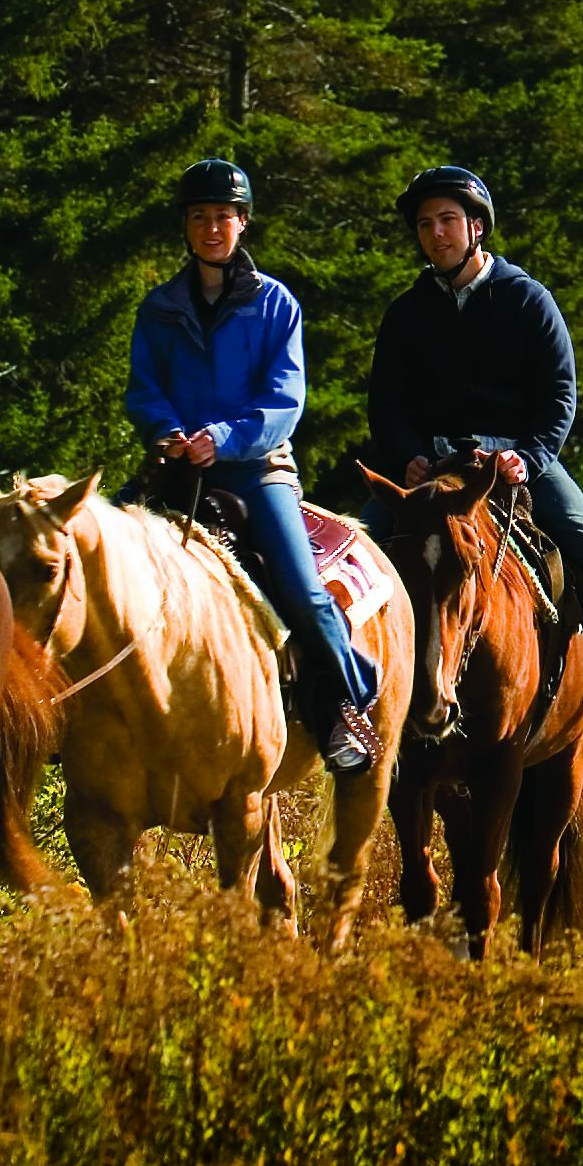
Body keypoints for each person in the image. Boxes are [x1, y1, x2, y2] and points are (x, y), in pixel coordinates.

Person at [364, 165, 583, 762]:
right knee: (362, 545)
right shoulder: (405, 314)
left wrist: (526, 457)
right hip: (433, 464)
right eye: (426, 224)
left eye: (448, 220)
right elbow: (386, 404)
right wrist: (407, 458)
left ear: (476, 227)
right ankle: (343, 695)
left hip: (516, 459)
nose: (436, 233)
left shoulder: (529, 300)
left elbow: (560, 395)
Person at [128, 158, 380, 775]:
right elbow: (142, 390)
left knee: (300, 588)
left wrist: (223, 437)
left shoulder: (276, 304)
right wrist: (167, 432)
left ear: (242, 223)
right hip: (176, 468)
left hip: (257, 468)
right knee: (97, 558)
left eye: (222, 216)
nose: (211, 228)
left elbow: (284, 402)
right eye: (198, 217)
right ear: (185, 227)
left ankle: (349, 704)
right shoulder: (157, 309)